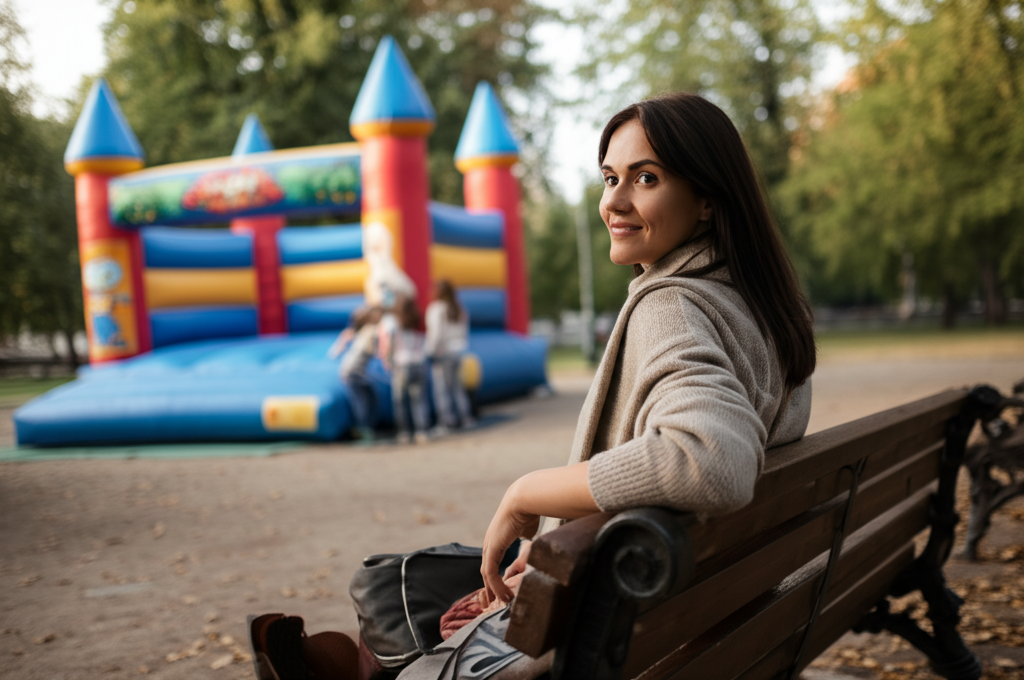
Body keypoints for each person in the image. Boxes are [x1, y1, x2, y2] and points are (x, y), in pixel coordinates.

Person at [477, 91, 816, 607]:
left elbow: (710, 462)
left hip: (639, 619)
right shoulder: (767, 308)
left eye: (646, 178)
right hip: (724, 605)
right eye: (610, 178)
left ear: (707, 200)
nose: (613, 202)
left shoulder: (670, 306)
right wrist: (559, 539)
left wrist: (525, 492)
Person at [425, 280, 475, 433]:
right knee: (458, 387)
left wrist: (430, 351)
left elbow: (435, 334)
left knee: (442, 389)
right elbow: (464, 332)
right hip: (458, 352)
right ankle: (466, 418)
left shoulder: (436, 309)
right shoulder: (459, 309)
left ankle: (446, 422)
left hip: (443, 353)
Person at [328, 306, 384, 442]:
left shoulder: (360, 333)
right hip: (352, 372)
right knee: (362, 402)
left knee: (370, 397)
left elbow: (334, 354)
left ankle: (367, 428)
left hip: (353, 372)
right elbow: (372, 350)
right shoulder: (370, 331)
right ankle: (364, 430)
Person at [386, 295, 431, 445]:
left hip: (402, 363)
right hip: (419, 361)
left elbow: (390, 344)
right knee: (419, 399)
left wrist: (388, 360)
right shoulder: (418, 319)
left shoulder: (394, 322)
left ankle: (404, 432)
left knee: (400, 401)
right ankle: (421, 431)